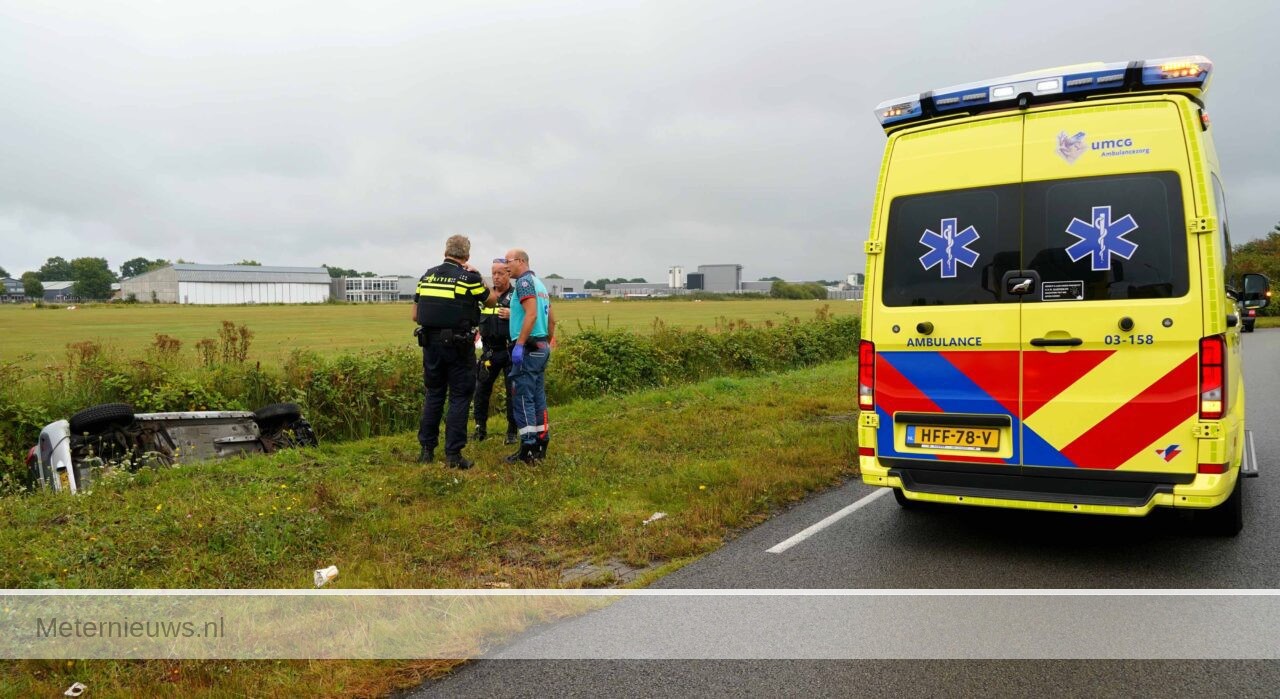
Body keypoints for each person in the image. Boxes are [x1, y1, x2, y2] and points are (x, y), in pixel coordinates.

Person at [413, 235, 497, 469]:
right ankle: (453, 455)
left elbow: (414, 314)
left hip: (430, 345)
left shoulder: (426, 276)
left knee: (434, 395)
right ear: (467, 256)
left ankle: (427, 451)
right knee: (460, 396)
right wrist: (479, 276)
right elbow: (490, 301)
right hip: (459, 346)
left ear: (445, 252)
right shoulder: (469, 278)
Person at [503, 248, 556, 464]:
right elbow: (551, 319)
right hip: (541, 345)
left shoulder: (524, 283)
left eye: (508, 262)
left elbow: (532, 314)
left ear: (521, 261)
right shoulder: (540, 284)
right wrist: (547, 342)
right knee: (537, 396)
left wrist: (520, 344)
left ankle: (528, 447)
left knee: (523, 397)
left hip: (528, 347)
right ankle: (542, 441)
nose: (506, 266)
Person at [472, 258, 518, 444]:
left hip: (509, 351)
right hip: (489, 353)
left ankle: (512, 432)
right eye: (493, 273)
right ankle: (480, 429)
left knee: (512, 392)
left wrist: (513, 314)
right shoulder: (486, 297)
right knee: (481, 391)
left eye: (500, 273)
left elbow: (532, 316)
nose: (496, 277)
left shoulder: (516, 296)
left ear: (509, 274)